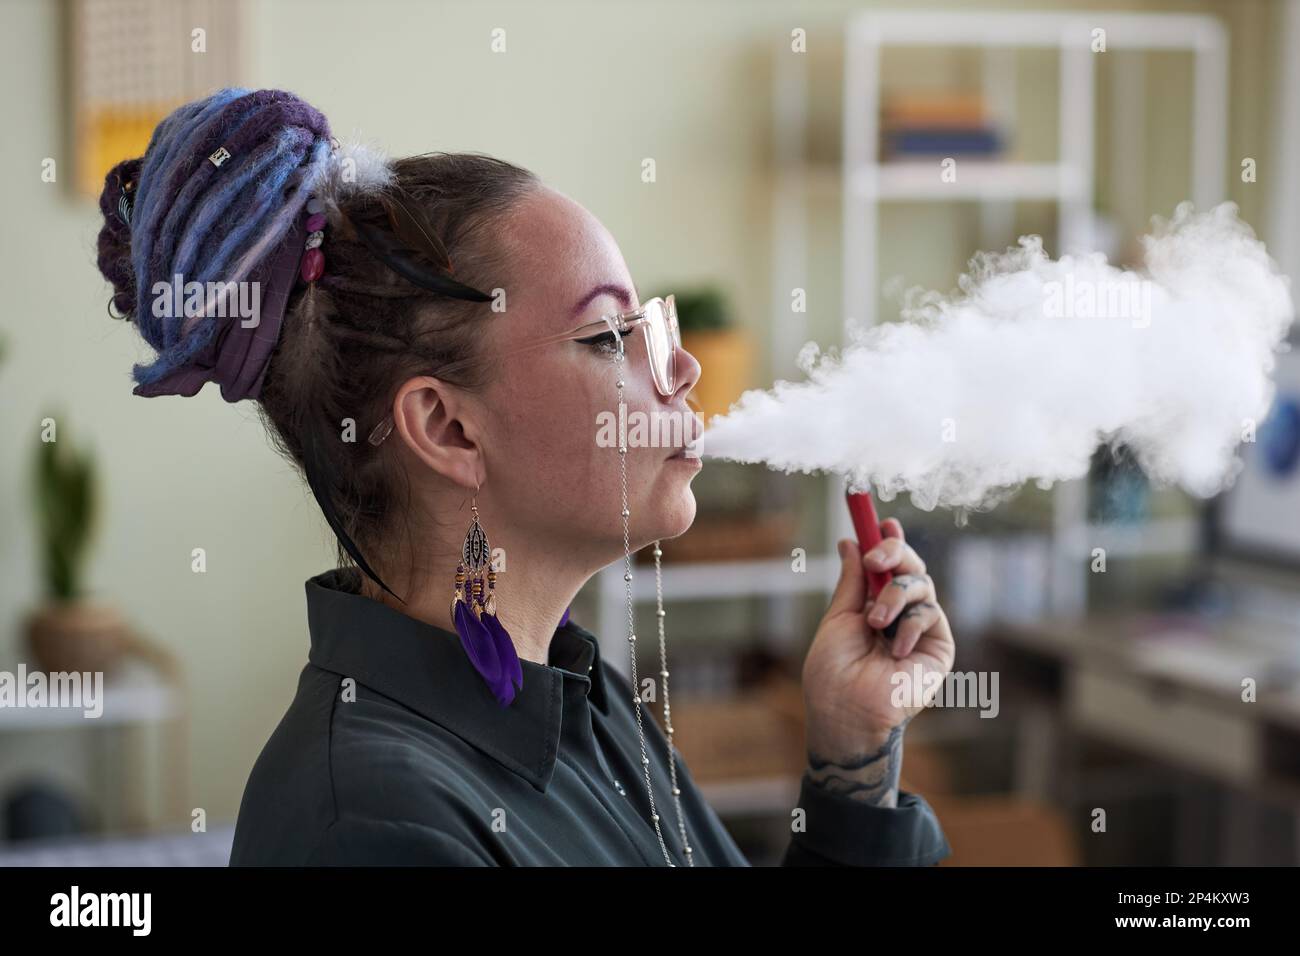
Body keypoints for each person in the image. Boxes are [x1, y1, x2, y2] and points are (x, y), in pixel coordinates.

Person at [96, 87, 956, 866]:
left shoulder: (585, 701)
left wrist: (853, 756)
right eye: (608, 337)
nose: (683, 368)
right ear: (446, 427)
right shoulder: (372, 826)